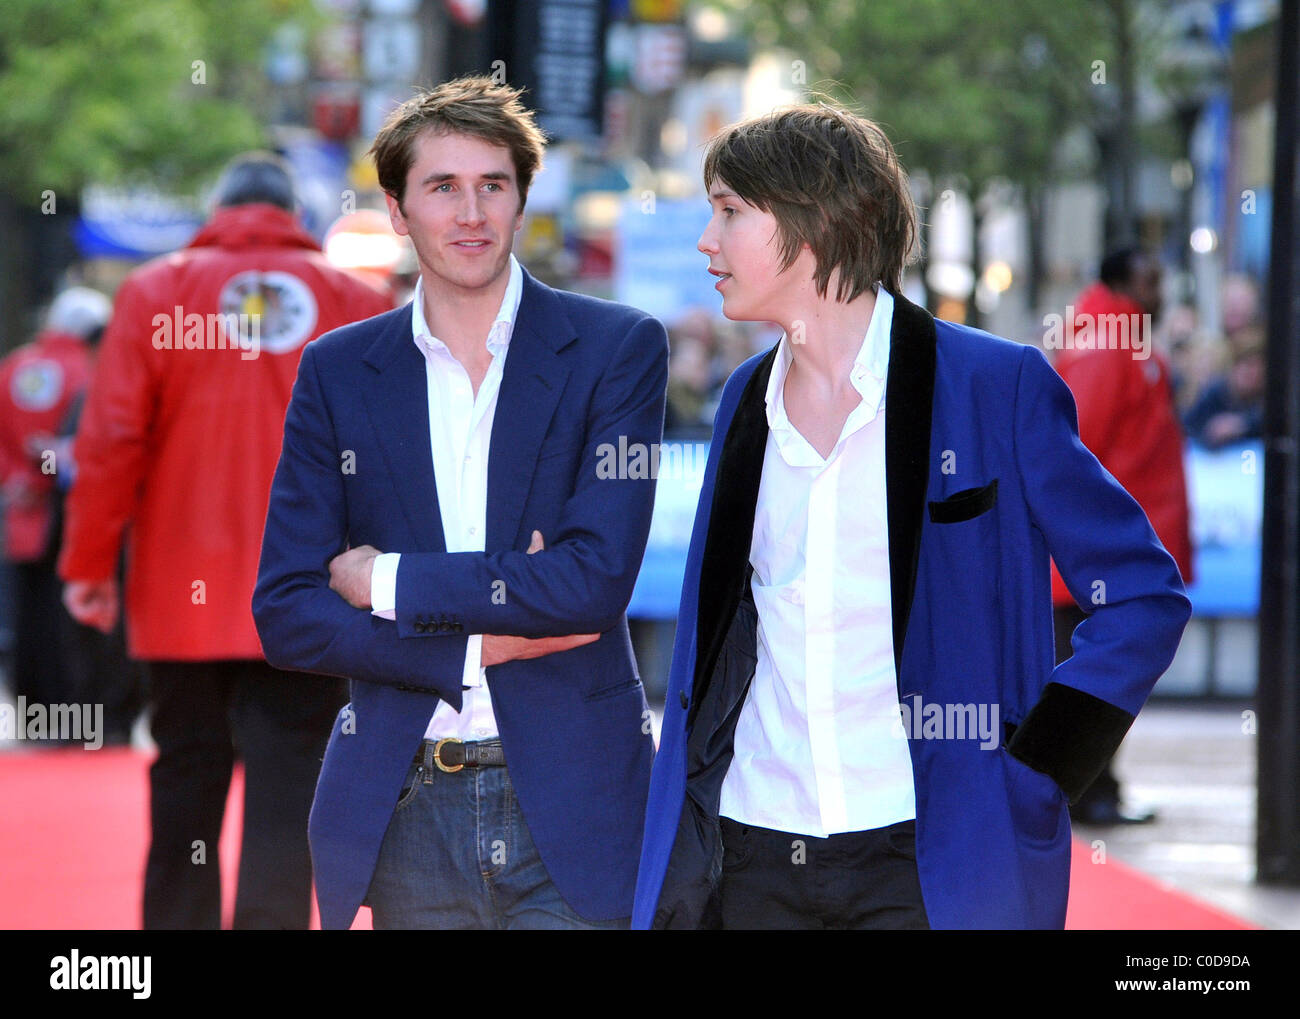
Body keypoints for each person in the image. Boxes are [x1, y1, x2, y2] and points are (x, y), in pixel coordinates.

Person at [632, 103, 1191, 930]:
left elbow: (1143, 594)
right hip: (750, 852)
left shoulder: (993, 386)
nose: (707, 241)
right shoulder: (743, 401)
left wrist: (1040, 767)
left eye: (729, 211)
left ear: (811, 219)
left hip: (928, 861)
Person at [252, 76, 668, 930]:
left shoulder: (616, 349)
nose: (471, 212)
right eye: (443, 187)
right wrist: (475, 647)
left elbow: (591, 585)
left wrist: (389, 581)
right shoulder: (337, 370)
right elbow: (287, 610)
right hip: (406, 804)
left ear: (521, 199)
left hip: (576, 801)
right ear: (398, 211)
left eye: (493, 185)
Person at [58, 152, 393, 929]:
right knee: (288, 795)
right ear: (294, 214)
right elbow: (387, 460)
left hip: (181, 595)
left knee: (184, 786)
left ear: (217, 208)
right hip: (312, 597)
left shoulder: (153, 293)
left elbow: (110, 444)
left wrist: (87, 565)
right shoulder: (357, 299)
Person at [1052, 248, 1194, 825]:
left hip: (1109, 552)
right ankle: (1086, 794)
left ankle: (1096, 788)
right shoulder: (1109, 345)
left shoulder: (1117, 339)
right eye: (1151, 280)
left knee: (1105, 671)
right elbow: (1075, 445)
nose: (1161, 291)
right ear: (1123, 283)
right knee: (1099, 672)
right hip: (1100, 557)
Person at [0, 286, 109, 709]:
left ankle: (33, 707)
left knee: (25, 608)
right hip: (71, 514)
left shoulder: (13, 367)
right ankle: (75, 708)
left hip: (20, 512)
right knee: (69, 610)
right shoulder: (90, 370)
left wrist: (19, 480)